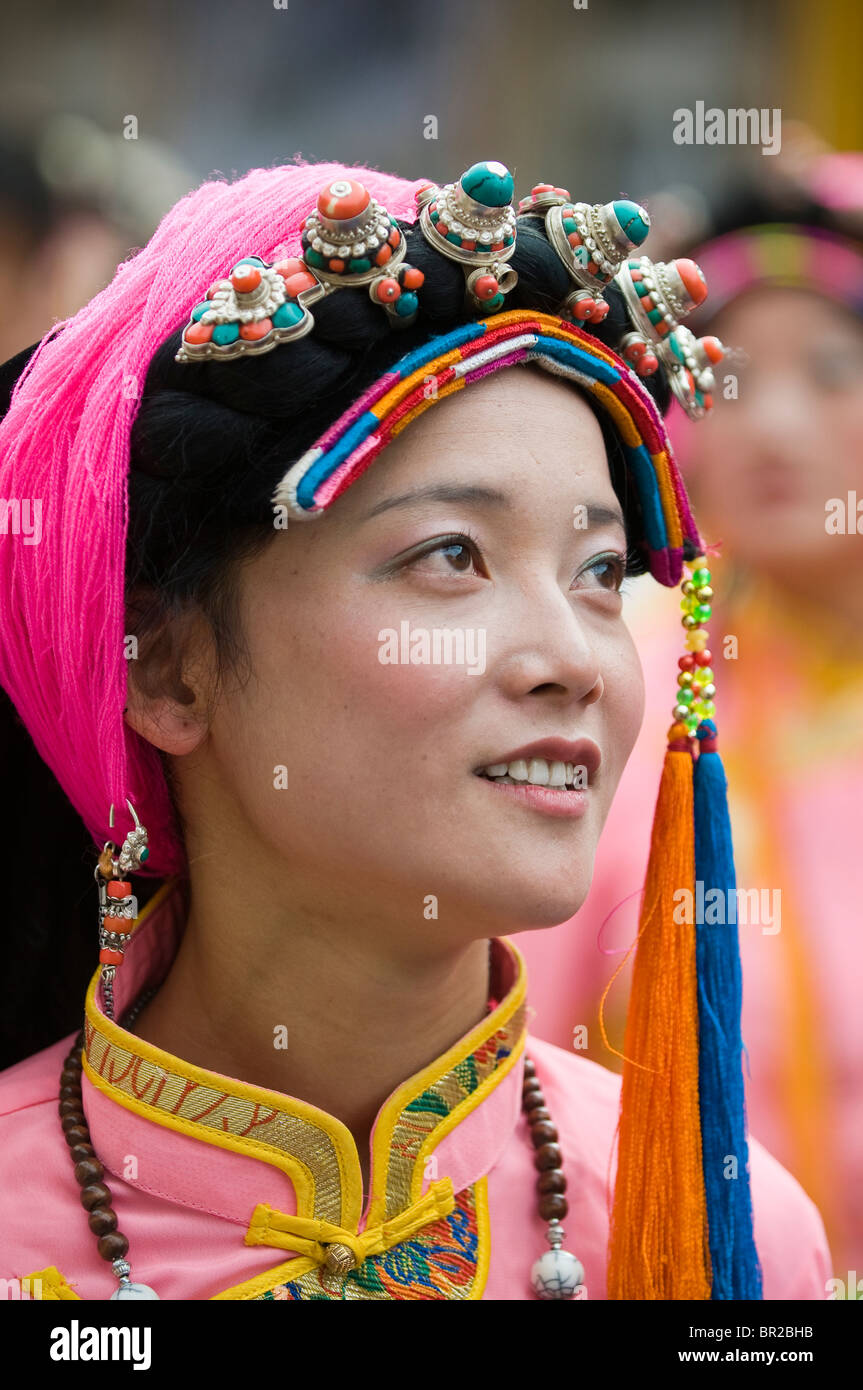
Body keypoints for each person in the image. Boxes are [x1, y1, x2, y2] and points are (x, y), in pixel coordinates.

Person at [0, 158, 832, 1301]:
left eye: (598, 572)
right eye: (452, 556)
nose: (571, 661)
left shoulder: (708, 1232)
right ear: (167, 670)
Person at [514, 155, 863, 1285]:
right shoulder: (621, 700)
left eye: (828, 372)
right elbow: (521, 1056)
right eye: (729, 380)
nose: (770, 426)